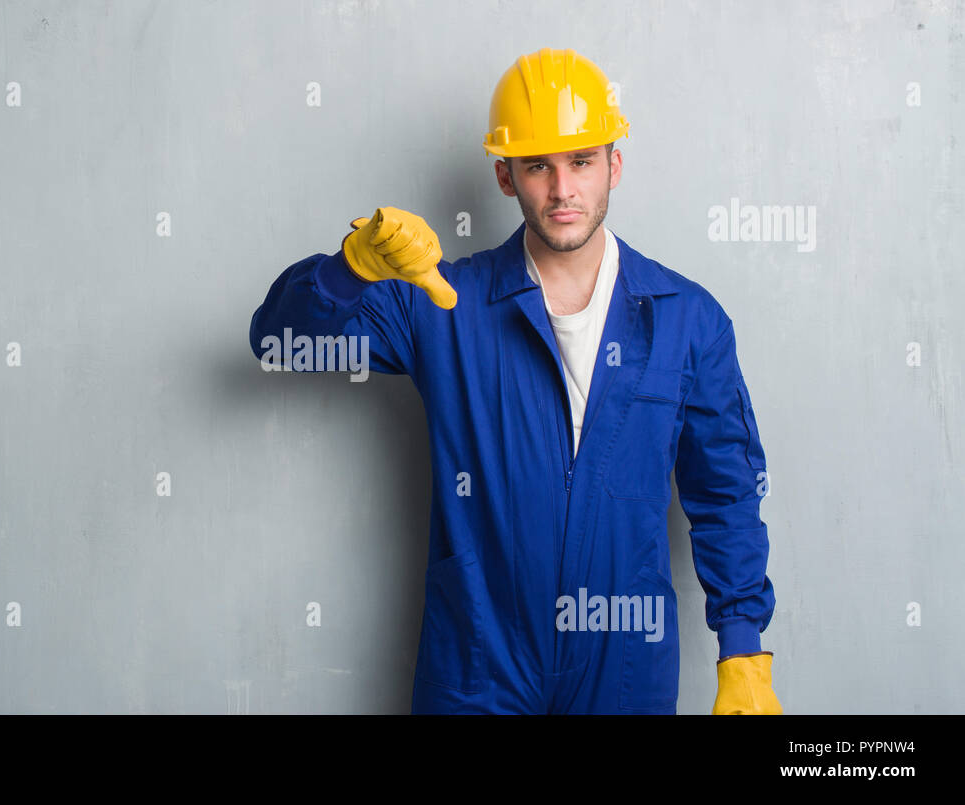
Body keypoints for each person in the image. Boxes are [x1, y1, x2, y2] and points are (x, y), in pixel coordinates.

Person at [249, 48, 781, 714]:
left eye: (582, 161)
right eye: (538, 166)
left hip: (623, 669)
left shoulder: (686, 319)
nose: (563, 191)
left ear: (615, 164)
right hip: (478, 663)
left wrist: (743, 650)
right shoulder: (444, 302)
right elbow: (278, 342)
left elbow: (726, 490)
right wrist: (350, 268)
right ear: (506, 177)